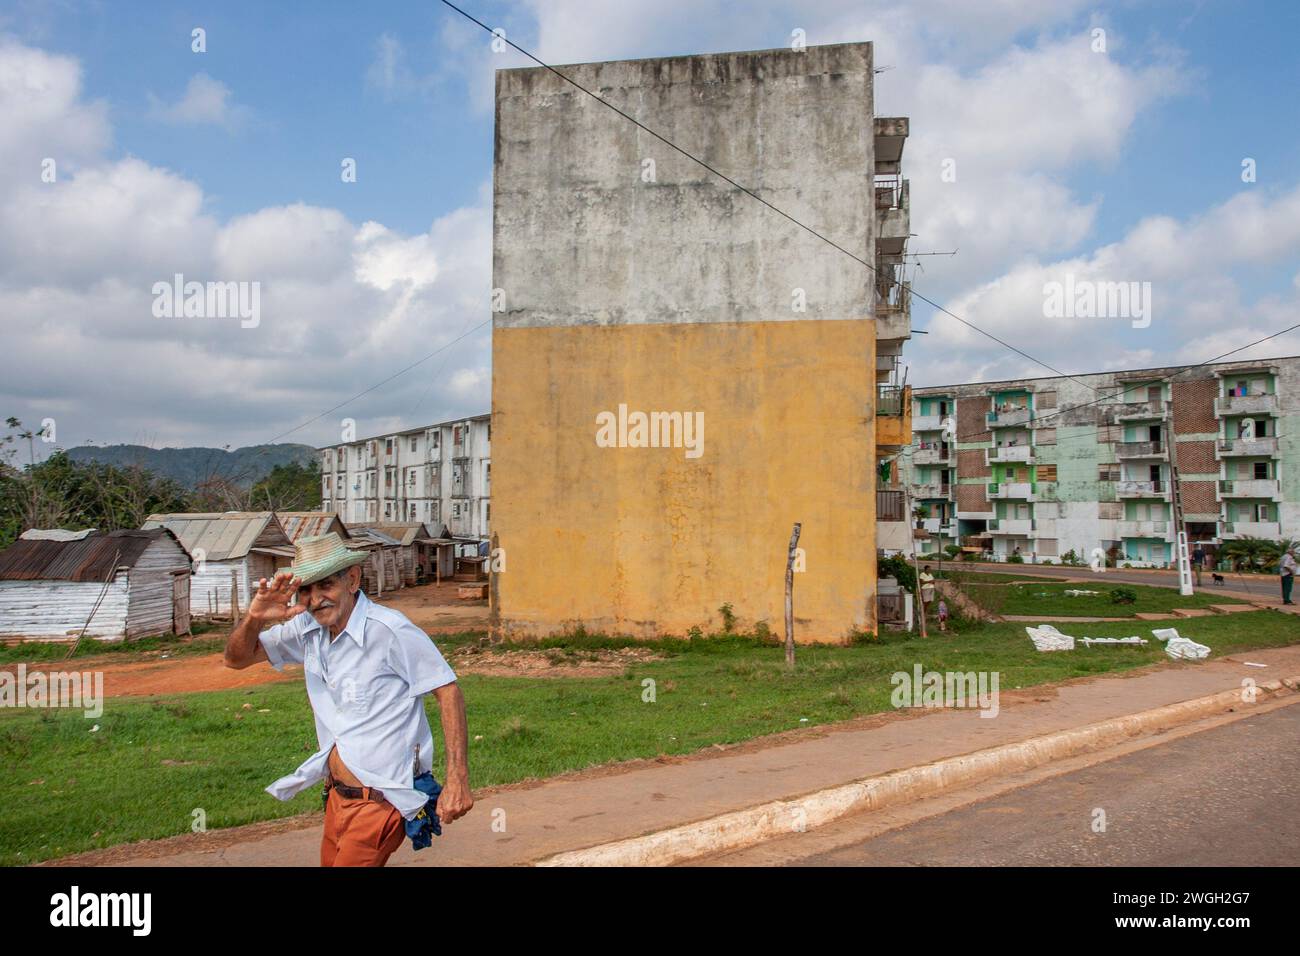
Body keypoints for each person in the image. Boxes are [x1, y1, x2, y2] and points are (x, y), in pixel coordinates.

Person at [223, 532, 473, 866]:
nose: (315, 600)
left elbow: (447, 690)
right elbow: (236, 659)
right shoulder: (307, 630)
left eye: (325, 585)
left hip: (379, 802)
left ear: (352, 580)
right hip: (337, 799)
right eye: (306, 590)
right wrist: (254, 618)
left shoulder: (389, 630)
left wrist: (458, 779)